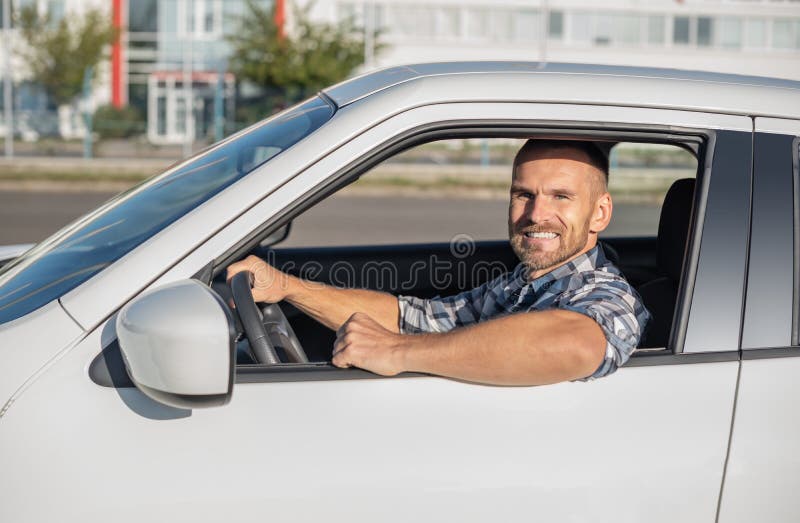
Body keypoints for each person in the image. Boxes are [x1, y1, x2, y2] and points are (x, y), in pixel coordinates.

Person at [227, 139, 650, 385]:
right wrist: (288, 287)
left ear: (600, 213)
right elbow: (418, 316)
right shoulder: (521, 283)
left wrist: (400, 351)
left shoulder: (606, 292)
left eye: (561, 197)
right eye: (524, 195)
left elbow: (578, 342)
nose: (536, 215)